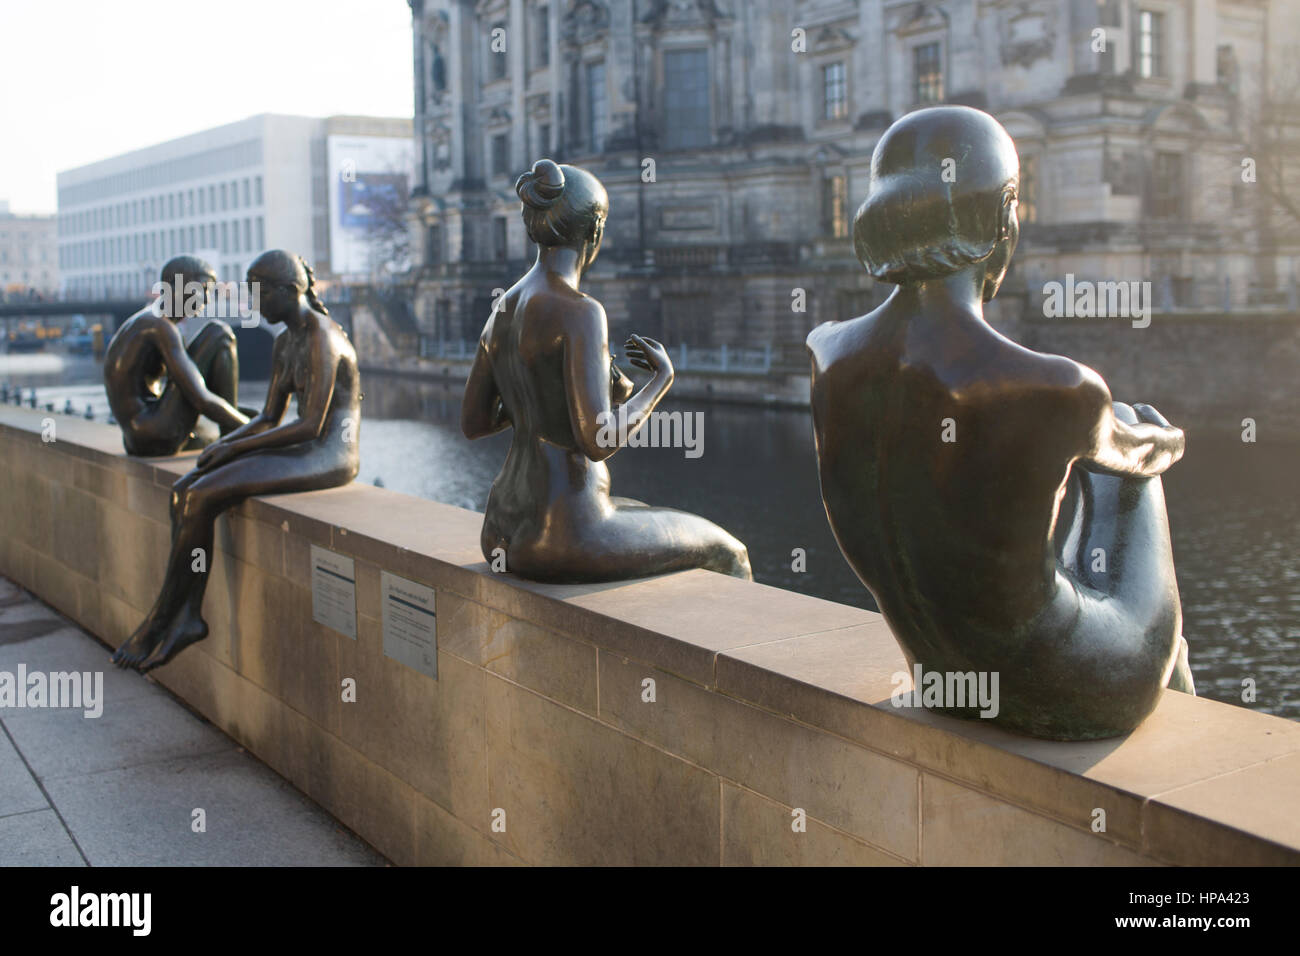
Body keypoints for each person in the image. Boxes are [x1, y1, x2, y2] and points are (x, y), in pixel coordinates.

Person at [807, 106, 1193, 740]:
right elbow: (1141, 456)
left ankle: (1170, 662)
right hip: (1078, 688)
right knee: (1129, 440)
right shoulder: (1059, 386)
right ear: (1003, 217)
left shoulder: (826, 353)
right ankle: (1172, 689)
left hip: (938, 680)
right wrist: (1168, 438)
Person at [462, 159, 751, 582]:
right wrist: (660, 381)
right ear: (594, 231)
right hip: (564, 537)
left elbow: (475, 422)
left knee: (648, 514)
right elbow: (598, 440)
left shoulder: (502, 308)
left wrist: (545, 391)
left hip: (502, 530)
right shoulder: (580, 311)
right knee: (730, 552)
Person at [113, 251, 361, 672]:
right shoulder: (285, 341)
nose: (251, 303)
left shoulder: (322, 336)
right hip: (303, 445)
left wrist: (232, 447)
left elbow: (310, 425)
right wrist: (231, 442)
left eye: (258, 291)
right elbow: (267, 418)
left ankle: (166, 618)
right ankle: (184, 613)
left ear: (288, 291)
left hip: (329, 452)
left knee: (204, 494)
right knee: (184, 490)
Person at [103, 256, 249, 455]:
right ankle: (234, 436)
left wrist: (234, 413)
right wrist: (252, 426)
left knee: (208, 436)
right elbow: (200, 397)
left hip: (136, 438)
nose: (206, 300)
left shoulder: (147, 320)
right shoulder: (160, 327)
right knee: (220, 334)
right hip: (154, 434)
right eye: (202, 291)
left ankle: (230, 434)